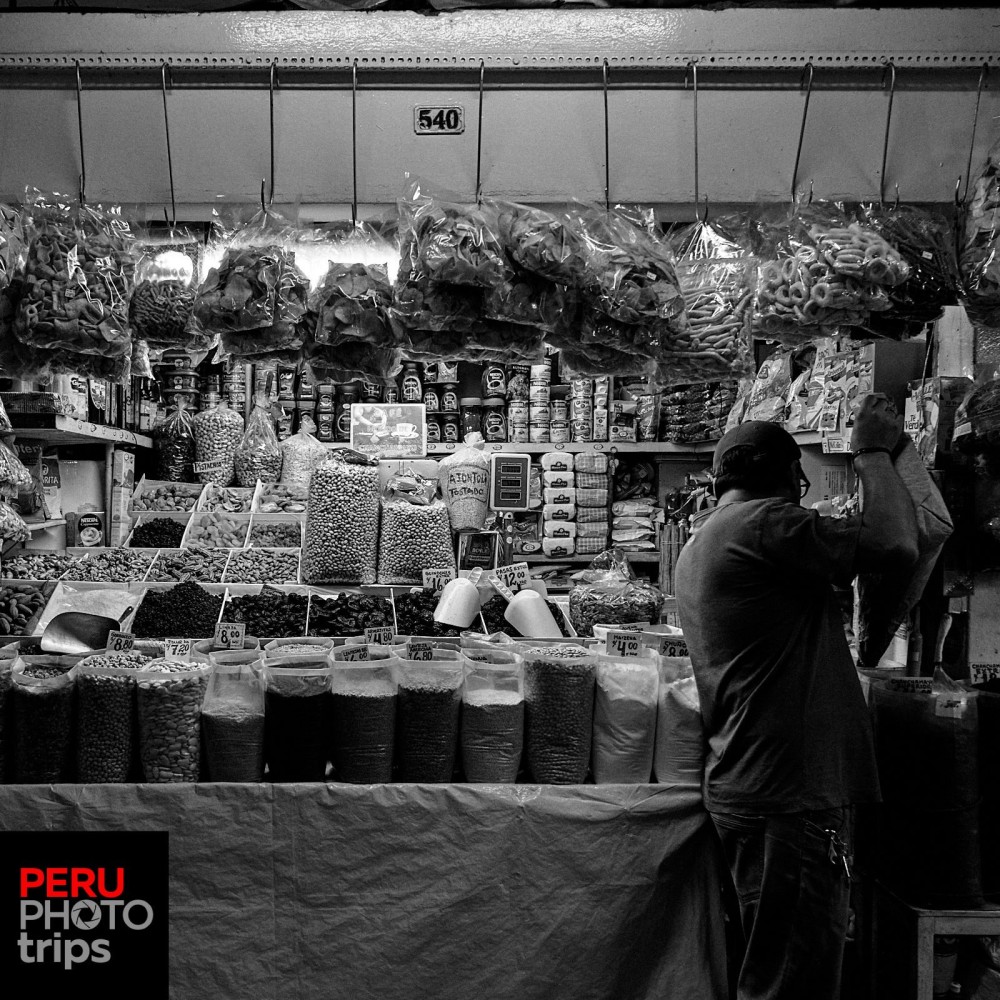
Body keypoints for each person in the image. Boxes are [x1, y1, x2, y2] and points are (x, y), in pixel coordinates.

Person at [674, 393, 920, 1000]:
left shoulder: (708, 537)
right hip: (788, 795)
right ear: (785, 475)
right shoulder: (765, 524)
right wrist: (871, 452)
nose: (802, 494)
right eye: (798, 481)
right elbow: (896, 544)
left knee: (773, 973)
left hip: (760, 785)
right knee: (791, 984)